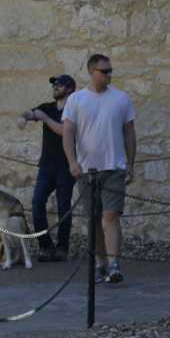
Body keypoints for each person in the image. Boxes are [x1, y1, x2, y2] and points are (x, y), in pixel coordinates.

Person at [62, 52, 136, 284]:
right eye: (104, 71)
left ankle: (114, 264)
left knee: (111, 216)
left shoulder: (121, 99)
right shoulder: (76, 100)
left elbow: (129, 131)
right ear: (91, 72)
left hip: (114, 167)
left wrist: (131, 163)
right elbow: (68, 132)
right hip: (87, 170)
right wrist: (72, 162)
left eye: (110, 70)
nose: (109, 75)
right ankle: (100, 262)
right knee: (94, 219)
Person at [22, 74, 76, 261]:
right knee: (37, 203)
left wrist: (44, 118)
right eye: (54, 84)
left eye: (59, 85)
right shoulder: (47, 108)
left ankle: (62, 248)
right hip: (46, 166)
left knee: (64, 207)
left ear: (69, 88)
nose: (55, 87)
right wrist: (26, 117)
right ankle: (45, 246)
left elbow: (63, 131)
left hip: (66, 166)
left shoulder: (74, 110)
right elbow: (31, 113)